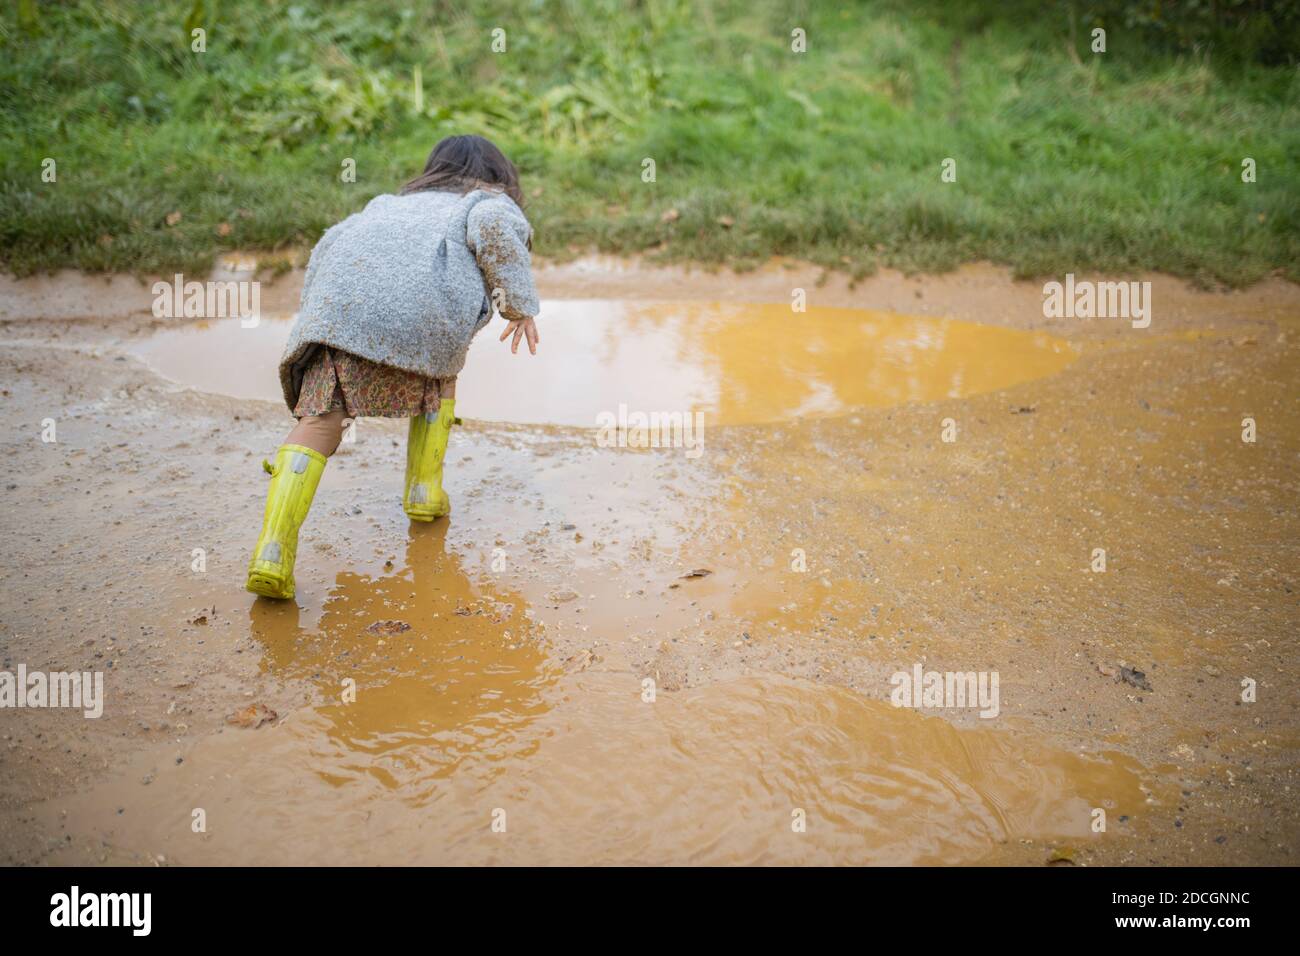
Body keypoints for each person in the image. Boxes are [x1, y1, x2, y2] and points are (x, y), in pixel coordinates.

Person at [246, 134, 540, 600]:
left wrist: (315, 325)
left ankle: (272, 551)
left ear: (432, 170)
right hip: (423, 316)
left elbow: (328, 245)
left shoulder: (383, 205)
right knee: (439, 372)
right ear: (500, 176)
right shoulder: (486, 201)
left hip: (339, 313)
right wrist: (519, 305)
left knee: (322, 418)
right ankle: (424, 491)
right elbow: (491, 225)